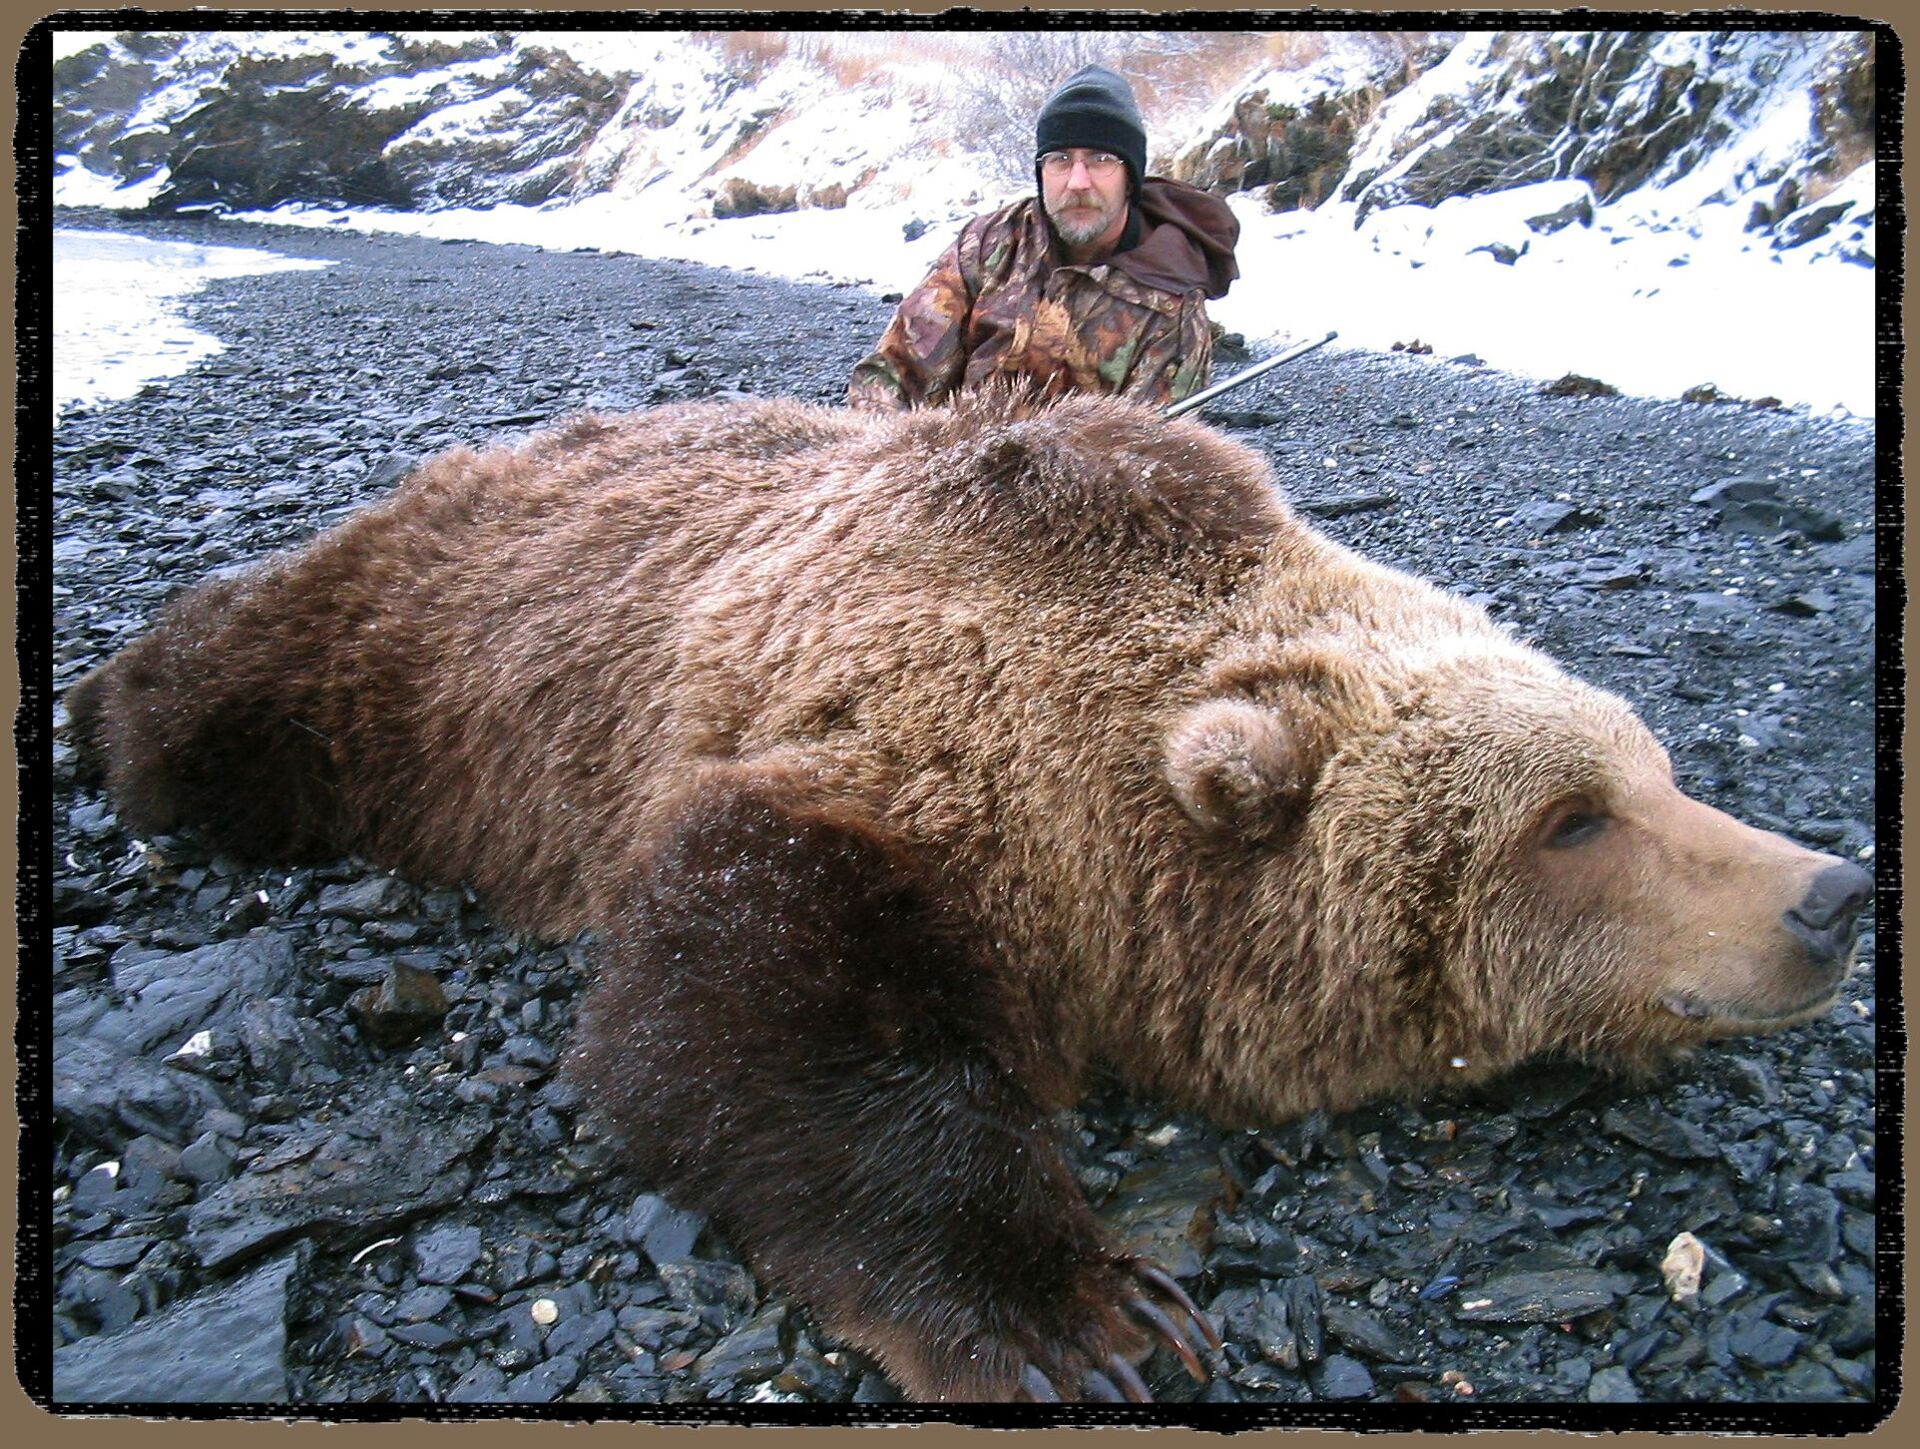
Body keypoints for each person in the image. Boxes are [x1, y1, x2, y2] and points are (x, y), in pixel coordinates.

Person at [847, 64, 1240, 411]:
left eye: (1101, 159)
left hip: (1083, 471)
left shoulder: (1173, 300)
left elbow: (1150, 452)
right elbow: (892, 375)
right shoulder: (988, 245)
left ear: (1130, 176)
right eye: (1060, 160)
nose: (1078, 181)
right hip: (954, 460)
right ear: (1041, 172)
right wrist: (886, 456)